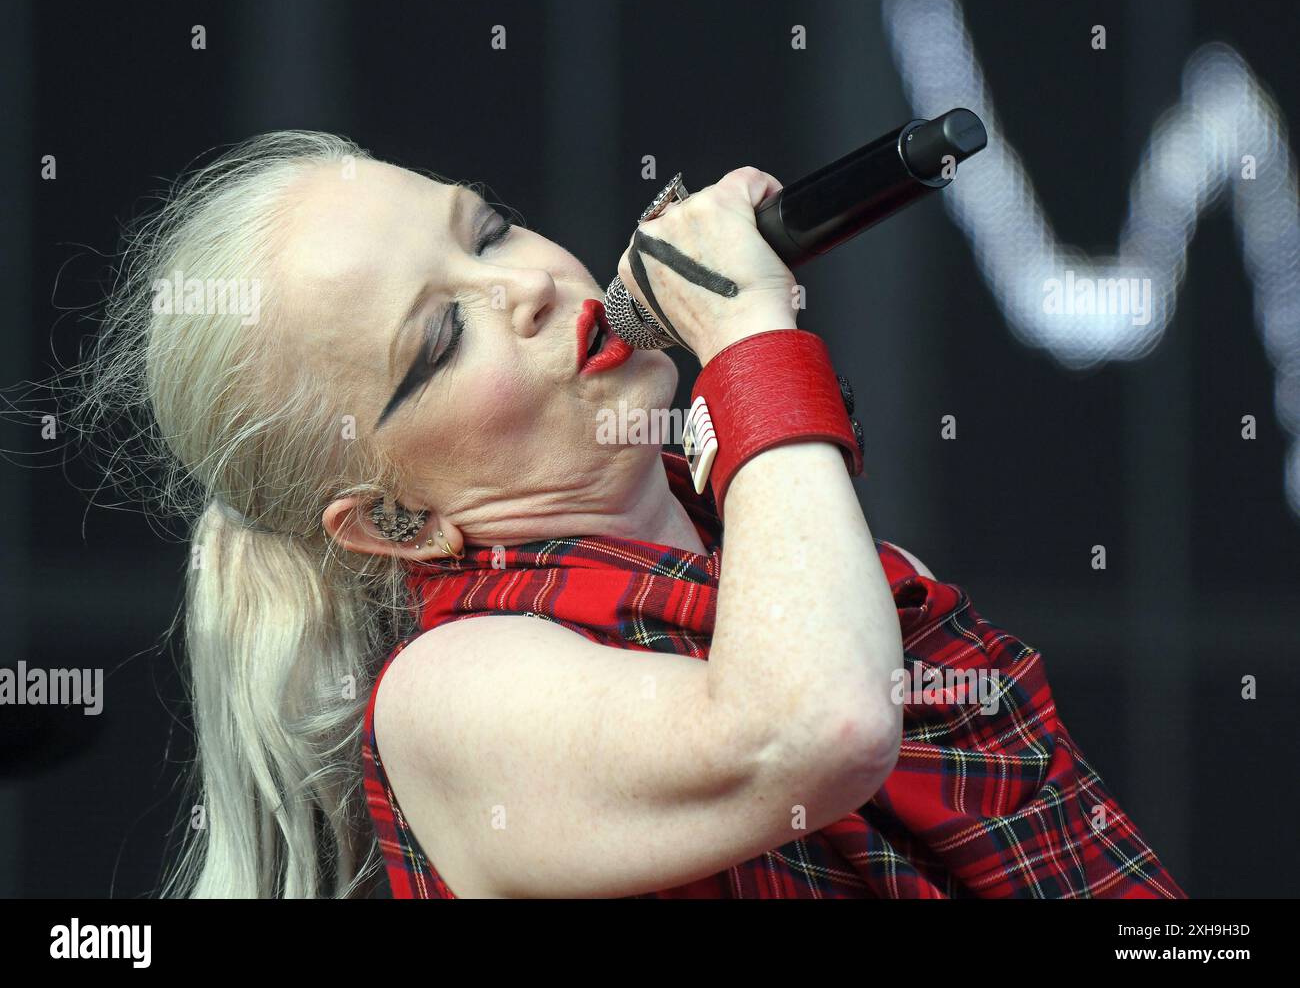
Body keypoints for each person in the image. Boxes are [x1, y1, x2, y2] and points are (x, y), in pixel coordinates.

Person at [58, 131, 1184, 898]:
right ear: (396, 523)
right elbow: (806, 729)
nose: (531, 286)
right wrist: (748, 343)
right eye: (443, 339)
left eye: (488, 230)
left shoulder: (782, 546)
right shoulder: (445, 700)